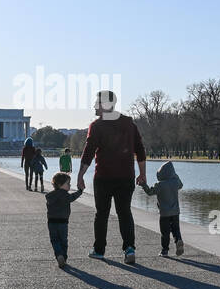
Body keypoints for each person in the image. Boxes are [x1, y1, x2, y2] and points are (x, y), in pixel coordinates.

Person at [77, 89, 146, 264]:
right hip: (126, 176)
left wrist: (80, 175)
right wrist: (142, 174)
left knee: (102, 214)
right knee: (125, 213)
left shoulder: (97, 126)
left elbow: (88, 153)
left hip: (104, 177)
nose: (94, 106)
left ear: (104, 105)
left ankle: (99, 250)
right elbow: (140, 149)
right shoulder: (129, 123)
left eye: (97, 103)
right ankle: (129, 248)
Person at [140, 160, 185, 256]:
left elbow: (149, 192)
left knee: (165, 232)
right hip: (175, 212)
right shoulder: (175, 182)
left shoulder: (160, 185)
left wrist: (143, 184)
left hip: (164, 213)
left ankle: (165, 250)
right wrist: (175, 175)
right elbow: (181, 185)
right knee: (176, 229)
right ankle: (178, 240)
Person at [45, 171, 85, 268]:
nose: (70, 185)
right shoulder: (65, 195)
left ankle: (59, 255)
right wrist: (80, 191)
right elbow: (73, 197)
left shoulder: (50, 196)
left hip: (51, 222)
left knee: (54, 240)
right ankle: (64, 257)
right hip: (63, 222)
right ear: (60, 185)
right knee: (63, 240)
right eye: (68, 183)